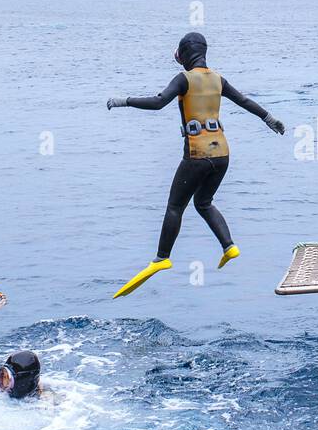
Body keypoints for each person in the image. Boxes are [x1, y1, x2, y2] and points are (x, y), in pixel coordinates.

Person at [107, 32, 284, 298]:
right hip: (222, 155)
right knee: (203, 202)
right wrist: (270, 119)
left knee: (175, 206)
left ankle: (161, 258)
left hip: (197, 155)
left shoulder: (184, 79)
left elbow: (158, 103)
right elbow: (245, 102)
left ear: (185, 53)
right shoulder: (217, 79)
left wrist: (124, 101)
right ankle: (229, 246)